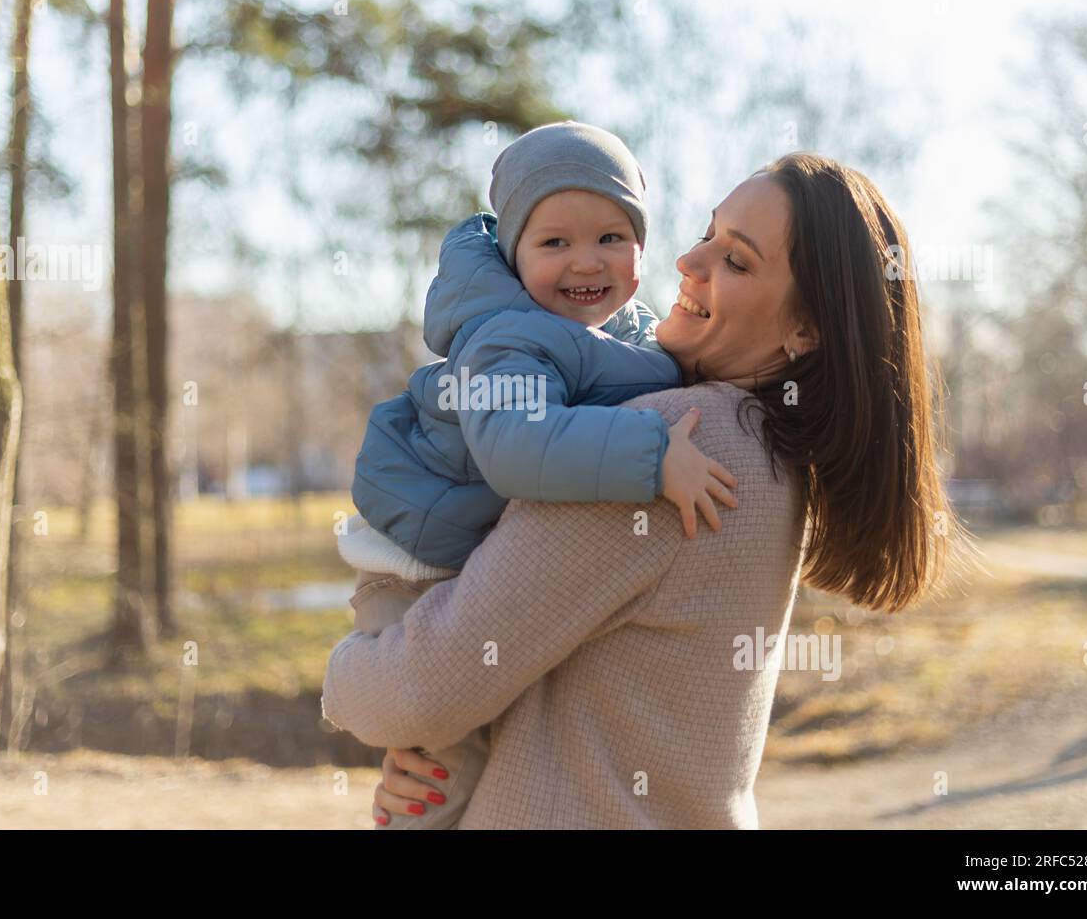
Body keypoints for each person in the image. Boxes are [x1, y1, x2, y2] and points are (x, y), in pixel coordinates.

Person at [323, 152, 975, 828]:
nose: (689, 265)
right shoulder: (775, 458)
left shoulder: (670, 446)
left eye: (738, 261)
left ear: (805, 329)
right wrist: (450, 756)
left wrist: (349, 676)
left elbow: (419, 690)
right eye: (707, 233)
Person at [333, 121, 739, 829]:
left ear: (641, 246)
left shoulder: (624, 334)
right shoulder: (507, 335)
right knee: (441, 777)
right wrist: (651, 454)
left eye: (611, 238)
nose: (587, 262)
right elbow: (517, 447)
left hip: (463, 560)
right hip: (414, 574)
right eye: (555, 243)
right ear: (514, 254)